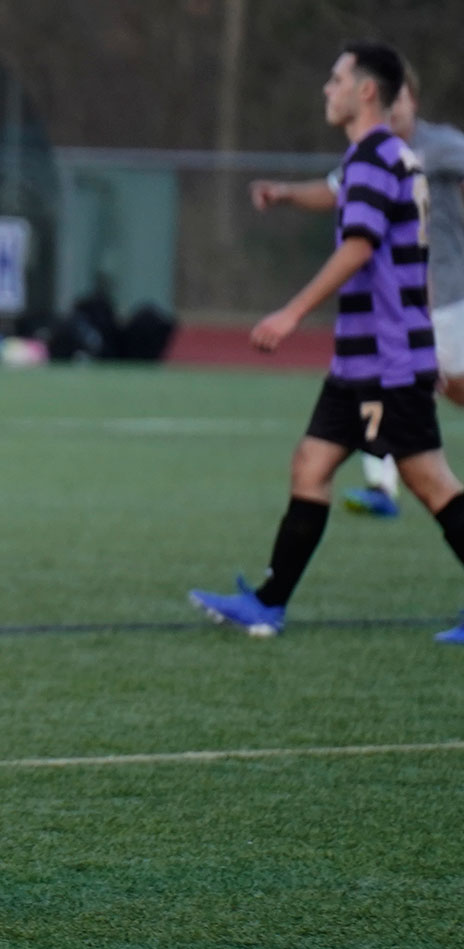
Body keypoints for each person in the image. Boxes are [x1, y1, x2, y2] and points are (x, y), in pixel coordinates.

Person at [192, 43, 464, 646]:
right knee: (310, 465)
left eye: (337, 78)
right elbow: (356, 213)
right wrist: (288, 194)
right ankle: (268, 604)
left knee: (431, 483)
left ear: (365, 91)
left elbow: (360, 245)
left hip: (389, 359)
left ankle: (268, 604)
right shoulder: (385, 157)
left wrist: (291, 312)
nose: (327, 88)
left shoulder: (375, 156)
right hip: (364, 359)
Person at [249, 63, 464, 517]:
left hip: (444, 293)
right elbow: (334, 190)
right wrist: (285, 193)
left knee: (434, 388)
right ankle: (381, 486)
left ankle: (392, 483)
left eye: (399, 99)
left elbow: (360, 243)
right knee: (387, 389)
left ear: (410, 100)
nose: (392, 107)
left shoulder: (438, 146)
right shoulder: (369, 157)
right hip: (396, 306)